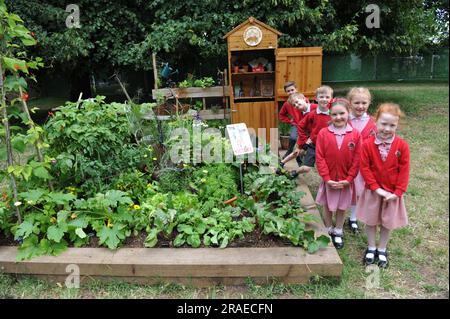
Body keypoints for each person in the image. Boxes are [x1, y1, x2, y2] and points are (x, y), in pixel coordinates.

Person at [357, 103, 410, 268]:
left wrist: (398, 191)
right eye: (383, 124)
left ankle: (382, 249)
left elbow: (404, 170)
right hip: (374, 192)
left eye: (392, 125)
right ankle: (371, 247)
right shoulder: (367, 145)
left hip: (392, 194)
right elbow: (365, 169)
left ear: (397, 125)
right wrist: (376, 188)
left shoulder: (402, 146)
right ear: (376, 122)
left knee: (388, 222)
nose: (387, 129)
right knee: (371, 220)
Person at [315, 98, 362, 249]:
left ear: (348, 113)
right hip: (330, 180)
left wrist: (349, 179)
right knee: (328, 205)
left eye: (342, 113)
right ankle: (328, 228)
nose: (338, 117)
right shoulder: (323, 133)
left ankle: (338, 230)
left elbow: (357, 158)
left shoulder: (355, 134)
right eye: (334, 114)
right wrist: (326, 178)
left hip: (345, 180)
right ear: (330, 115)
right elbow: (320, 156)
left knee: (342, 206)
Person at [347, 87, 377, 233]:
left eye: (364, 103)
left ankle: (353, 217)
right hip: (345, 162)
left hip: (362, 164)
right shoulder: (343, 118)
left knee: (358, 191)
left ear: (369, 103)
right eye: (356, 102)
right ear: (350, 102)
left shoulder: (373, 123)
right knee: (343, 190)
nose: (360, 106)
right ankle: (337, 214)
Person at [289, 85, 334, 178]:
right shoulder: (312, 114)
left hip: (329, 145)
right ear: (316, 98)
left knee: (330, 166)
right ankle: (295, 172)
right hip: (314, 145)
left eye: (327, 97)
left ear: (331, 99)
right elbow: (300, 126)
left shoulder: (333, 114)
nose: (324, 99)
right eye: (321, 97)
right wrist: (305, 139)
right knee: (306, 168)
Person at [278, 92, 315, 173]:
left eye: (297, 102)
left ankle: (295, 169)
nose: (297, 105)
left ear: (304, 99)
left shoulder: (315, 108)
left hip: (315, 136)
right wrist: (301, 143)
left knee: (301, 150)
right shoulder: (301, 114)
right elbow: (301, 128)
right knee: (297, 150)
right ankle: (282, 163)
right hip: (307, 136)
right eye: (294, 105)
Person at [278, 82, 302, 166]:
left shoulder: (303, 99)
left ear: (296, 89)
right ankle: (289, 153)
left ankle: (298, 162)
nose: (291, 92)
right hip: (295, 125)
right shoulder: (287, 104)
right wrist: (290, 120)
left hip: (305, 125)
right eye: (288, 91)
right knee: (292, 139)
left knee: (300, 144)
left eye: (292, 90)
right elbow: (281, 115)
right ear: (286, 93)